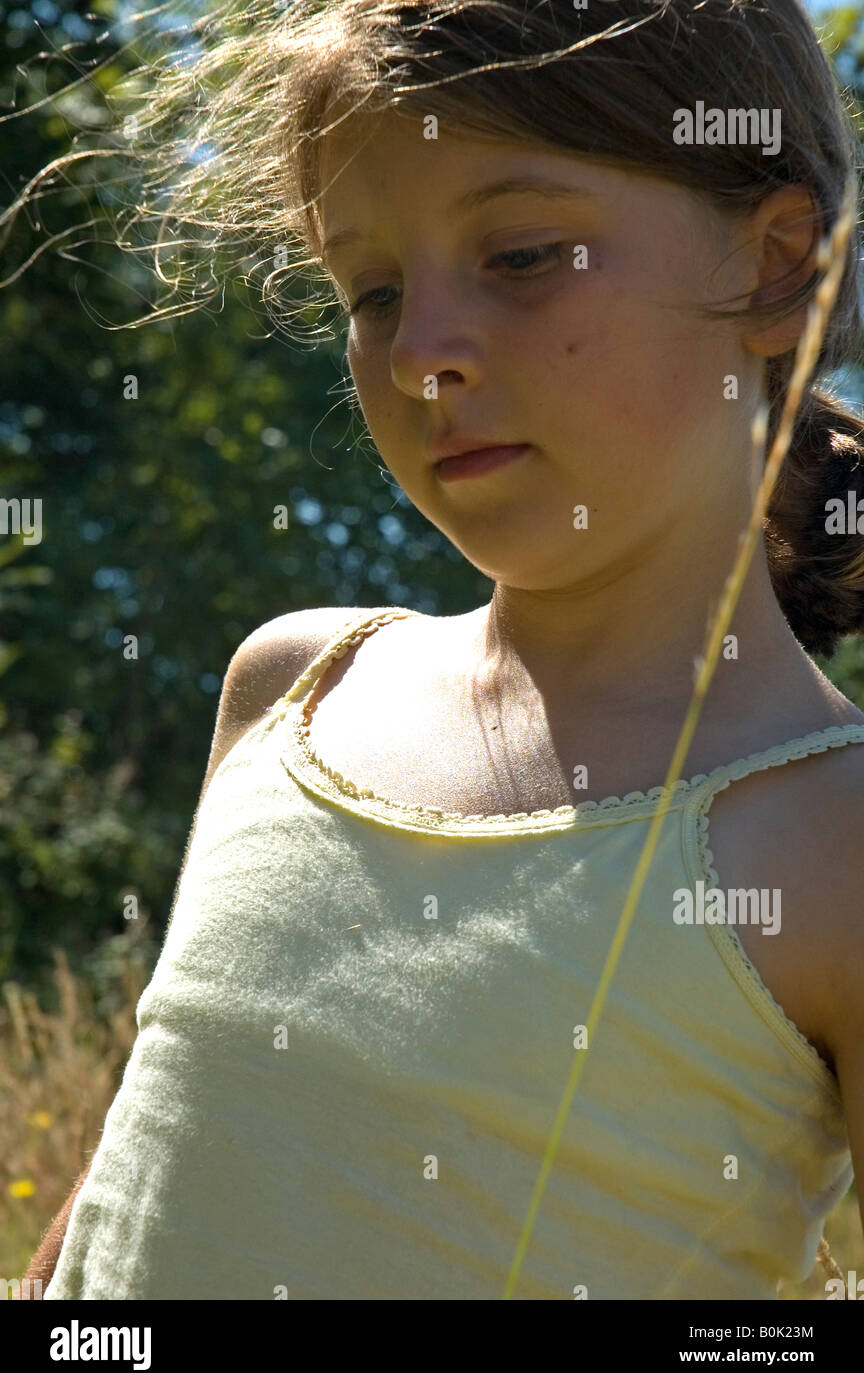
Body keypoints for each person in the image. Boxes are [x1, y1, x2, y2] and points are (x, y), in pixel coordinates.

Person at [24, 0, 864, 1298]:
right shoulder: (289, 689)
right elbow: (125, 1205)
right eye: (370, 291)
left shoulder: (832, 835)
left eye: (523, 253)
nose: (419, 353)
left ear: (774, 267)